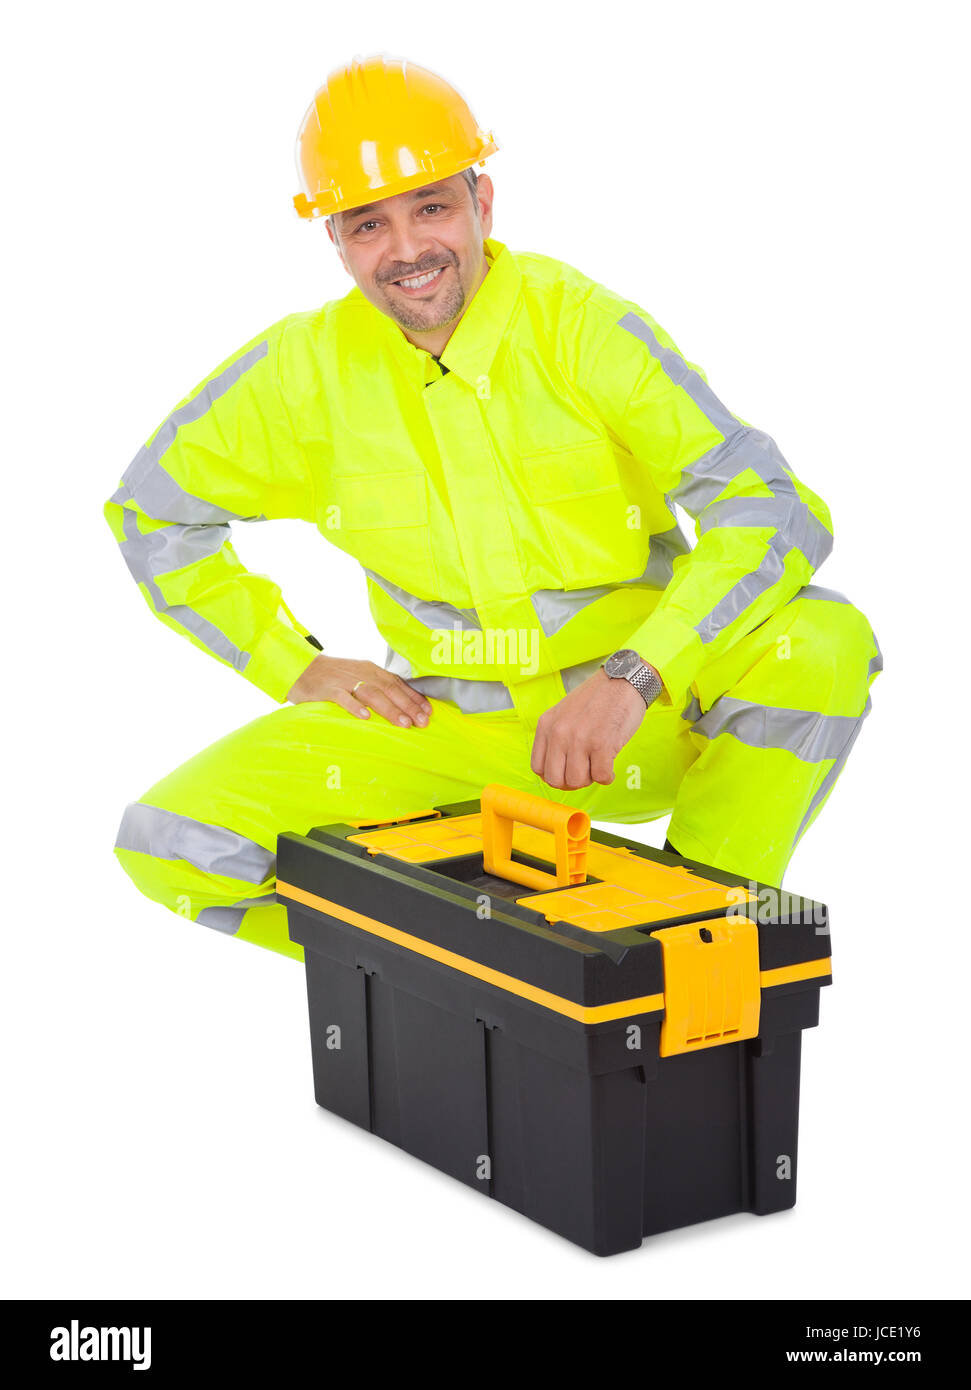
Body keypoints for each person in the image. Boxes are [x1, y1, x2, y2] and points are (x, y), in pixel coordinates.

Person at [105, 54, 882, 963]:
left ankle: (696, 929)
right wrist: (294, 664)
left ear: (482, 200)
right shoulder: (299, 375)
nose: (405, 249)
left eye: (430, 206)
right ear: (335, 242)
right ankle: (484, 975)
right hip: (447, 740)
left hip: (650, 720)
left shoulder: (580, 326)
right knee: (169, 843)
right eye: (368, 224)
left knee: (821, 642)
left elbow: (775, 507)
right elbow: (150, 514)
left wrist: (637, 675)